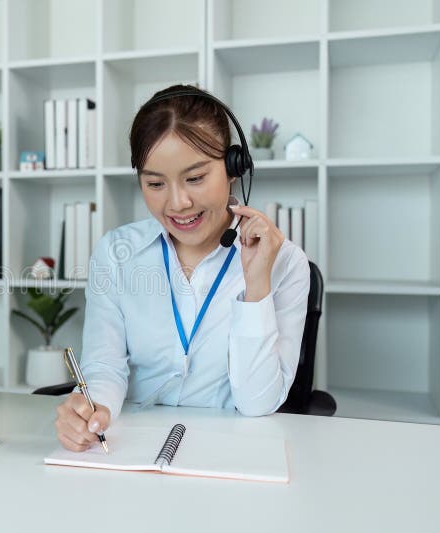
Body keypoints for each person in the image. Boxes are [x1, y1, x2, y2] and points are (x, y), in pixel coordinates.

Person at [54, 85, 310, 452]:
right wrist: (91, 408)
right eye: (155, 183)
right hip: (132, 451)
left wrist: (256, 288)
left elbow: (258, 403)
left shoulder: (286, 264)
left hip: (231, 453)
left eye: (195, 178)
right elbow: (105, 366)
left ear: (235, 168)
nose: (178, 203)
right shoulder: (117, 253)